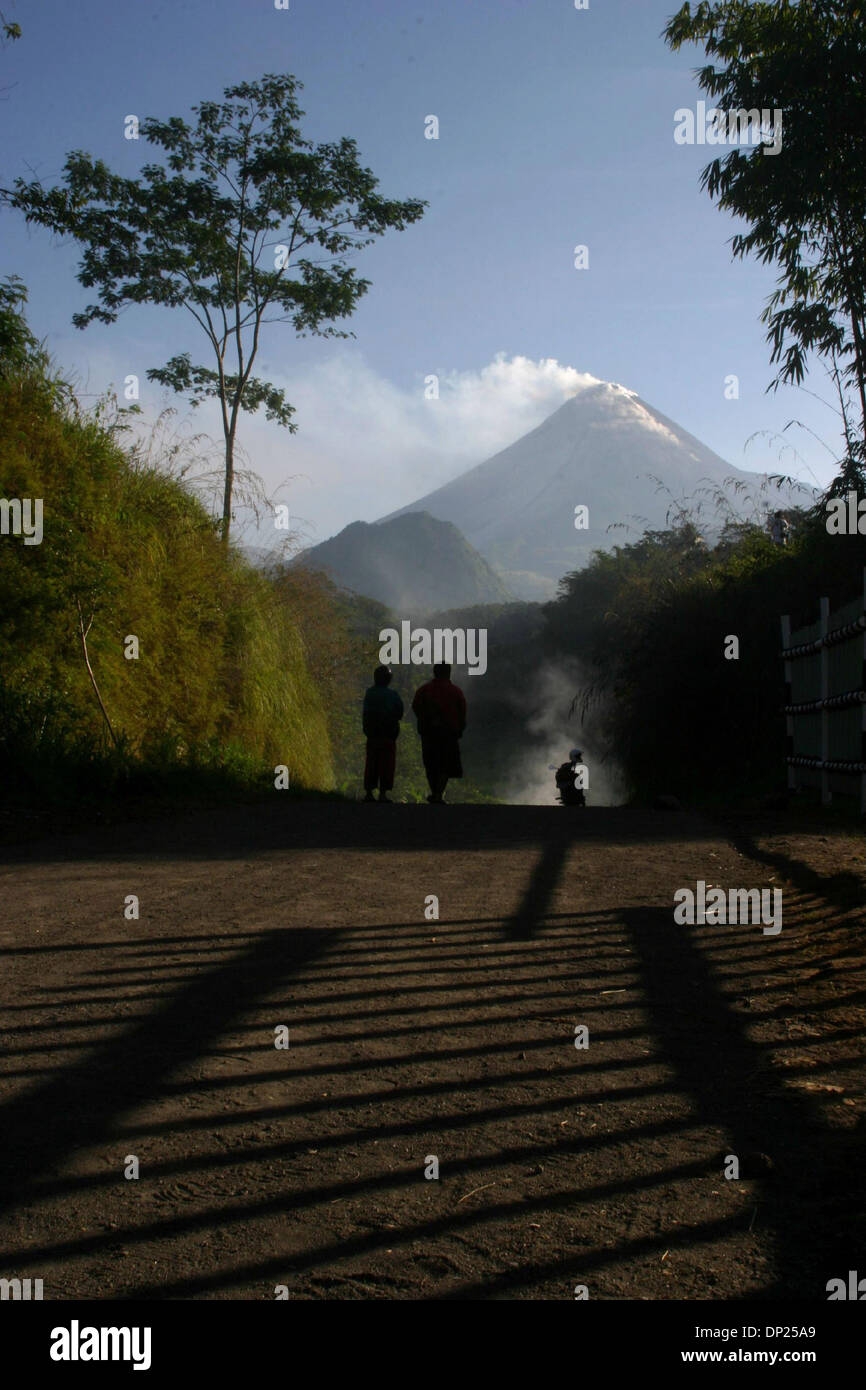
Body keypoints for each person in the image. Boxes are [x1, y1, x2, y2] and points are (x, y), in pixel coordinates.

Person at [411, 662, 467, 803]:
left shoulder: (424, 690)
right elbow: (462, 712)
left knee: (431, 763)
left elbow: (416, 707)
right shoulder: (455, 691)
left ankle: (435, 793)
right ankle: (438, 794)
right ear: (448, 673)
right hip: (449, 733)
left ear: (434, 672)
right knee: (446, 765)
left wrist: (424, 721)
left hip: (429, 732)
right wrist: (460, 728)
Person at [362, 665, 403, 802]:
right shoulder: (393, 695)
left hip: (373, 735)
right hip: (388, 735)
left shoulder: (370, 693)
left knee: (371, 763)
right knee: (387, 765)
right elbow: (399, 713)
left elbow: (366, 713)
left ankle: (369, 792)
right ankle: (383, 794)